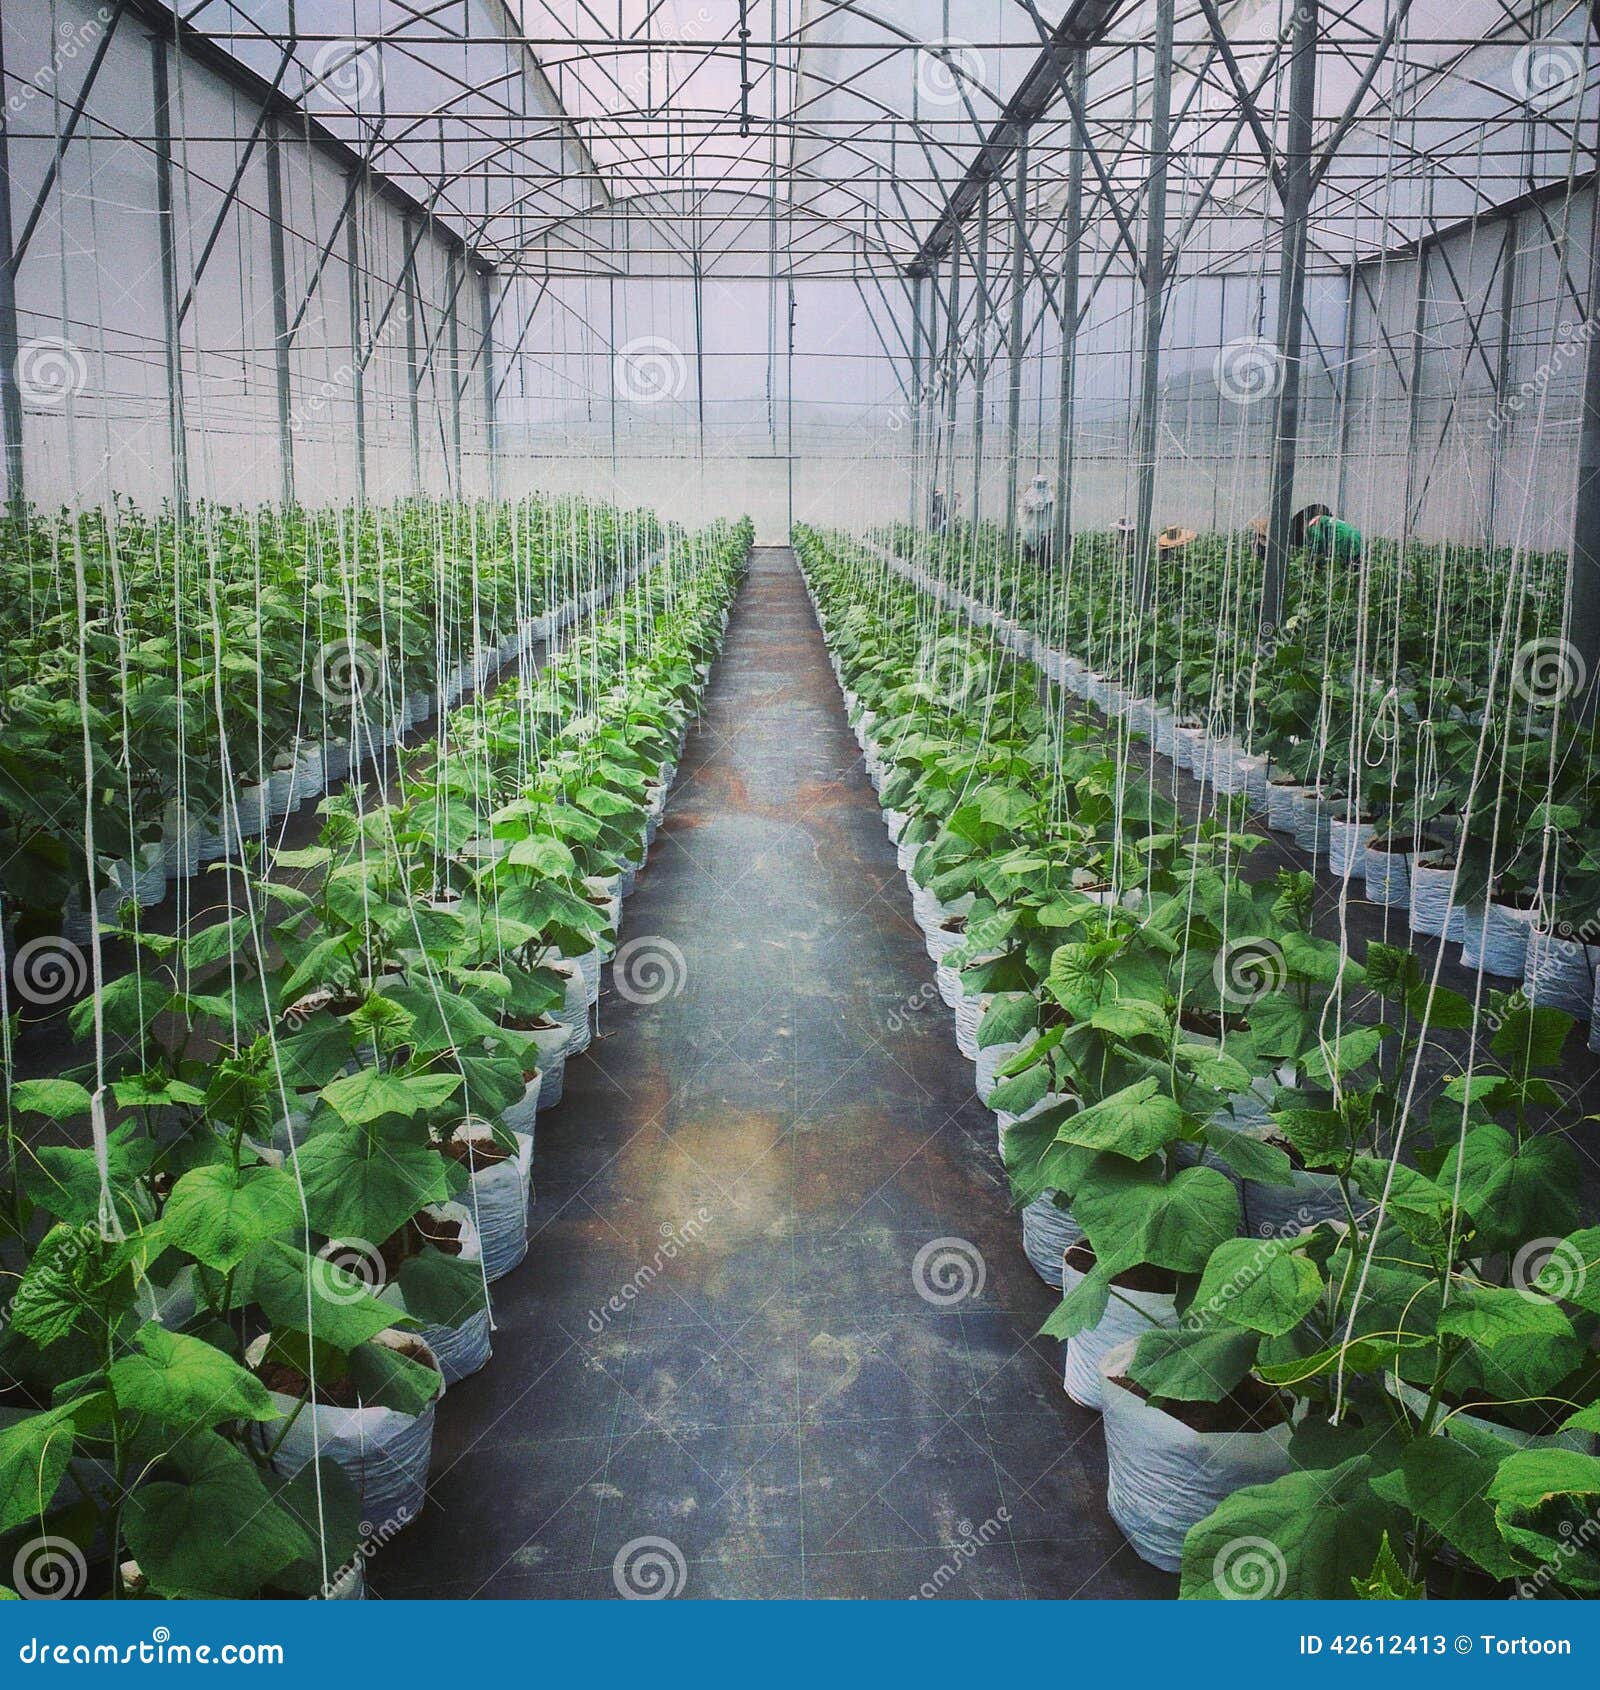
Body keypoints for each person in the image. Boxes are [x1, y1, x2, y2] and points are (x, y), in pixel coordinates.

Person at [1019, 474, 1055, 564]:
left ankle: (1042, 570)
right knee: (1030, 554)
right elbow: (1023, 511)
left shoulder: (1049, 498)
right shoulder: (1028, 497)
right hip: (1031, 530)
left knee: (1043, 554)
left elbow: (1041, 506)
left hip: (1043, 530)